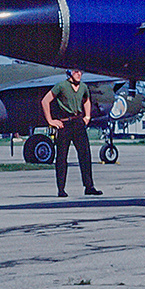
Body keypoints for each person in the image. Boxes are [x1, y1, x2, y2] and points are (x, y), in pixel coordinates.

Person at [41, 69, 100, 197]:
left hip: (78, 122)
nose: (79, 74)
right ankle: (61, 189)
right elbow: (45, 101)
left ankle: (89, 186)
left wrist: (87, 116)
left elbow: (86, 100)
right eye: (76, 72)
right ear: (69, 73)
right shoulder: (61, 86)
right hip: (64, 124)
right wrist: (50, 120)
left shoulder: (83, 87)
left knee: (85, 155)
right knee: (61, 157)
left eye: (81, 72)